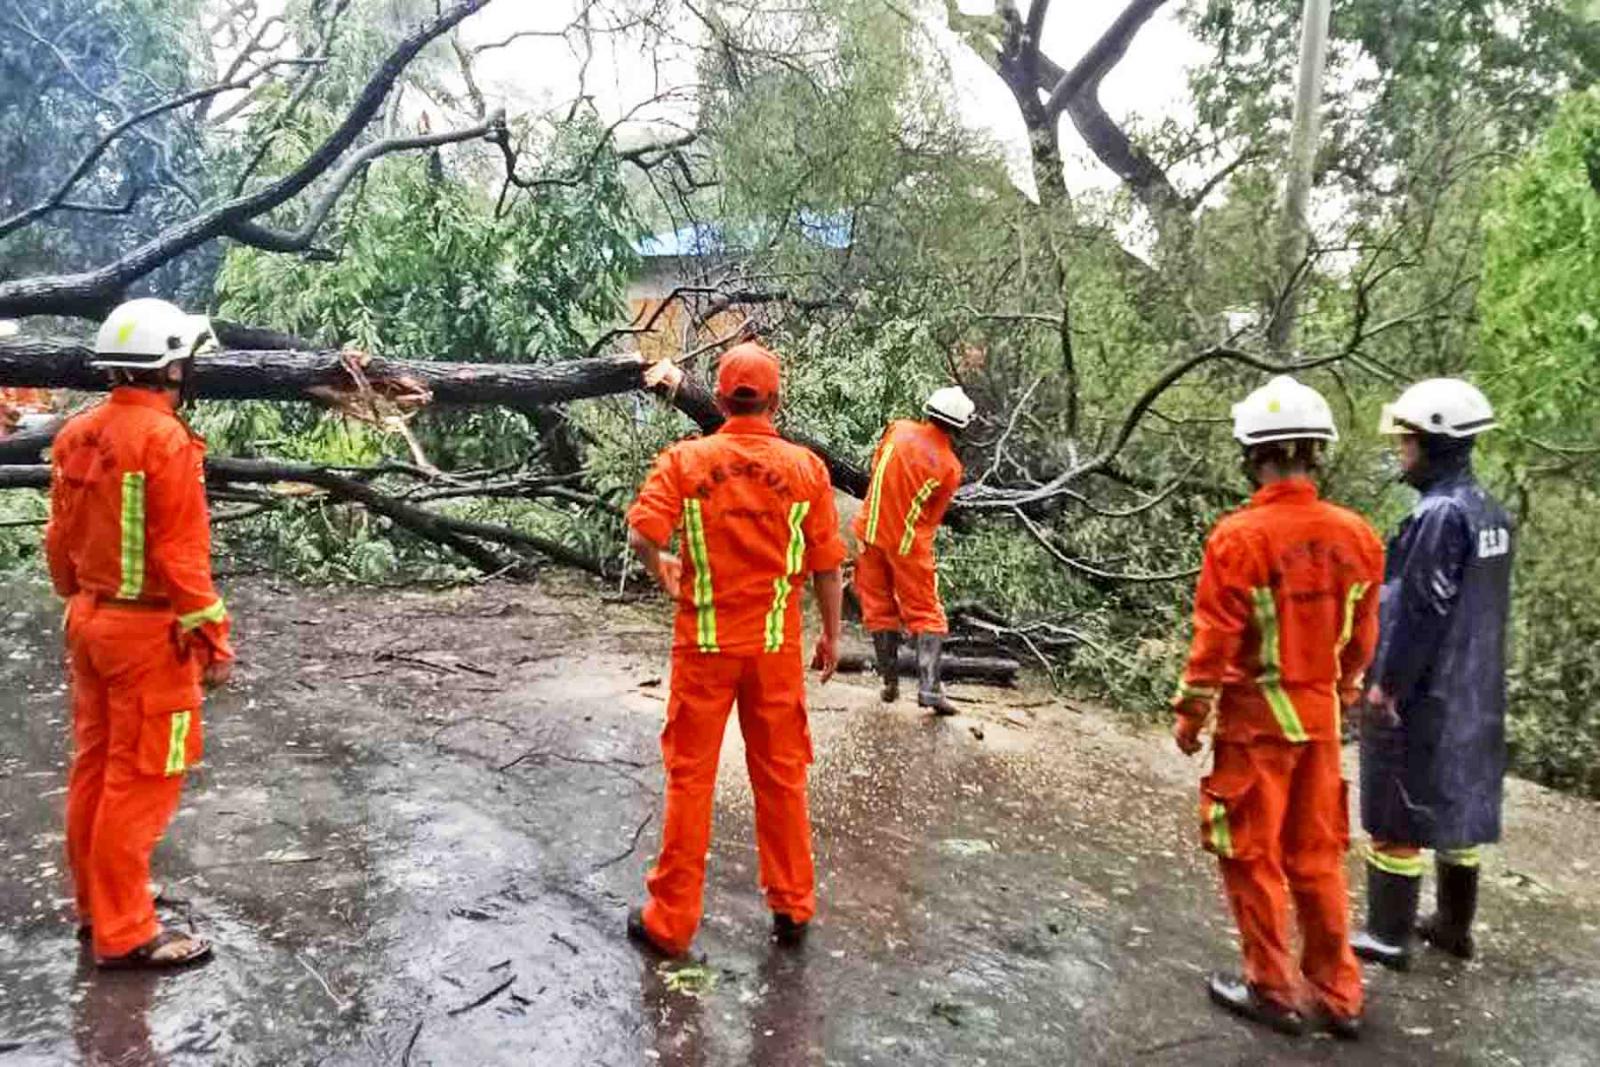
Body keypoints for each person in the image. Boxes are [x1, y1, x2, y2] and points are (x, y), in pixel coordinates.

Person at [1171, 375, 1383, 1039]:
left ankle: (1272, 987)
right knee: (1318, 857)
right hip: (1318, 723)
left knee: (1251, 855)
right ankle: (1340, 992)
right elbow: (1362, 638)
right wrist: (1342, 690)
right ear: (1316, 453)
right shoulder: (1359, 537)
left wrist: (1191, 711)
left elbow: (1215, 639)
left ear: (1250, 454)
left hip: (1255, 727)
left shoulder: (1240, 537)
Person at [624, 341, 846, 957]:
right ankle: (793, 907)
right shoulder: (807, 470)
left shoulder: (685, 460)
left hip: (704, 648)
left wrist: (657, 561)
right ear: (776, 401)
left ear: (720, 399)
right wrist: (831, 633)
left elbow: (643, 530)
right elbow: (828, 565)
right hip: (774, 652)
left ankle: (670, 922)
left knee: (691, 780)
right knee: (780, 779)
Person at [46, 298, 234, 969]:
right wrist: (212, 636)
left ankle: (100, 905)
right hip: (147, 636)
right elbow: (182, 554)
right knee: (145, 775)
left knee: (95, 769)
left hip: (90, 621)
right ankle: (126, 932)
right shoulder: (166, 442)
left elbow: (60, 544)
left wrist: (83, 600)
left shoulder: (76, 434)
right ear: (170, 366)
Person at [1351, 379, 1512, 971]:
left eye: (1408, 441)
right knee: (1456, 806)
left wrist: (1385, 685)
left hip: (1427, 692)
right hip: (1476, 689)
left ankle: (1388, 935)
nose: (1401, 451)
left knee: (1395, 810)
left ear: (1434, 444)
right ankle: (1452, 926)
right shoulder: (1489, 512)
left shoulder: (1439, 515)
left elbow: (1420, 608)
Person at [852, 386, 972, 714]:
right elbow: (932, 517)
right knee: (927, 612)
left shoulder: (898, 429)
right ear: (961, 426)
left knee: (877, 608)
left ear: (928, 409)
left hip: (868, 534)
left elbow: (876, 469)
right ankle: (930, 690)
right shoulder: (949, 467)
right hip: (908, 545)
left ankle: (889, 683)